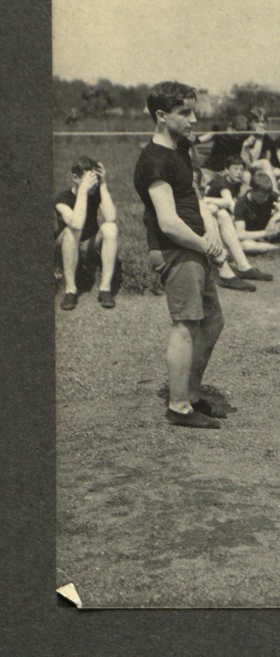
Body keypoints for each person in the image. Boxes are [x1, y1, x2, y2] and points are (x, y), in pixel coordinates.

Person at [132, 81, 230, 428]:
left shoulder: (180, 149)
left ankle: (191, 394)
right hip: (178, 249)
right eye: (185, 112)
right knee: (186, 324)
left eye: (194, 111)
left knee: (213, 321)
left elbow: (196, 199)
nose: (194, 119)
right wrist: (206, 245)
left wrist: (214, 233)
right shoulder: (153, 160)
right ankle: (178, 407)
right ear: (161, 116)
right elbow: (169, 222)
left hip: (196, 246)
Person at [55, 155, 119, 310]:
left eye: (94, 179)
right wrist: (83, 191)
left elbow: (111, 217)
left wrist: (103, 183)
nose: (93, 184)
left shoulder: (96, 193)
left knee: (110, 228)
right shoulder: (62, 198)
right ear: (76, 178)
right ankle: (70, 290)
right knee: (72, 231)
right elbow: (76, 224)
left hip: (88, 245)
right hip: (65, 246)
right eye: (89, 179)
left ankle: (105, 288)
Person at [200, 156, 274, 289]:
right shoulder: (223, 184)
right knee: (220, 213)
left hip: (218, 220)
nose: (239, 172)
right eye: (235, 169)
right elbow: (230, 203)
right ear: (226, 170)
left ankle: (243, 266)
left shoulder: (236, 183)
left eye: (241, 169)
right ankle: (225, 271)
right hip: (207, 222)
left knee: (222, 213)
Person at [232, 171, 280, 264]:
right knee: (244, 245)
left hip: (271, 228)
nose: (264, 199)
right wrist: (266, 233)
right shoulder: (241, 204)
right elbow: (240, 234)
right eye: (260, 196)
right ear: (251, 190)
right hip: (256, 236)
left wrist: (274, 219)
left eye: (267, 196)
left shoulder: (267, 194)